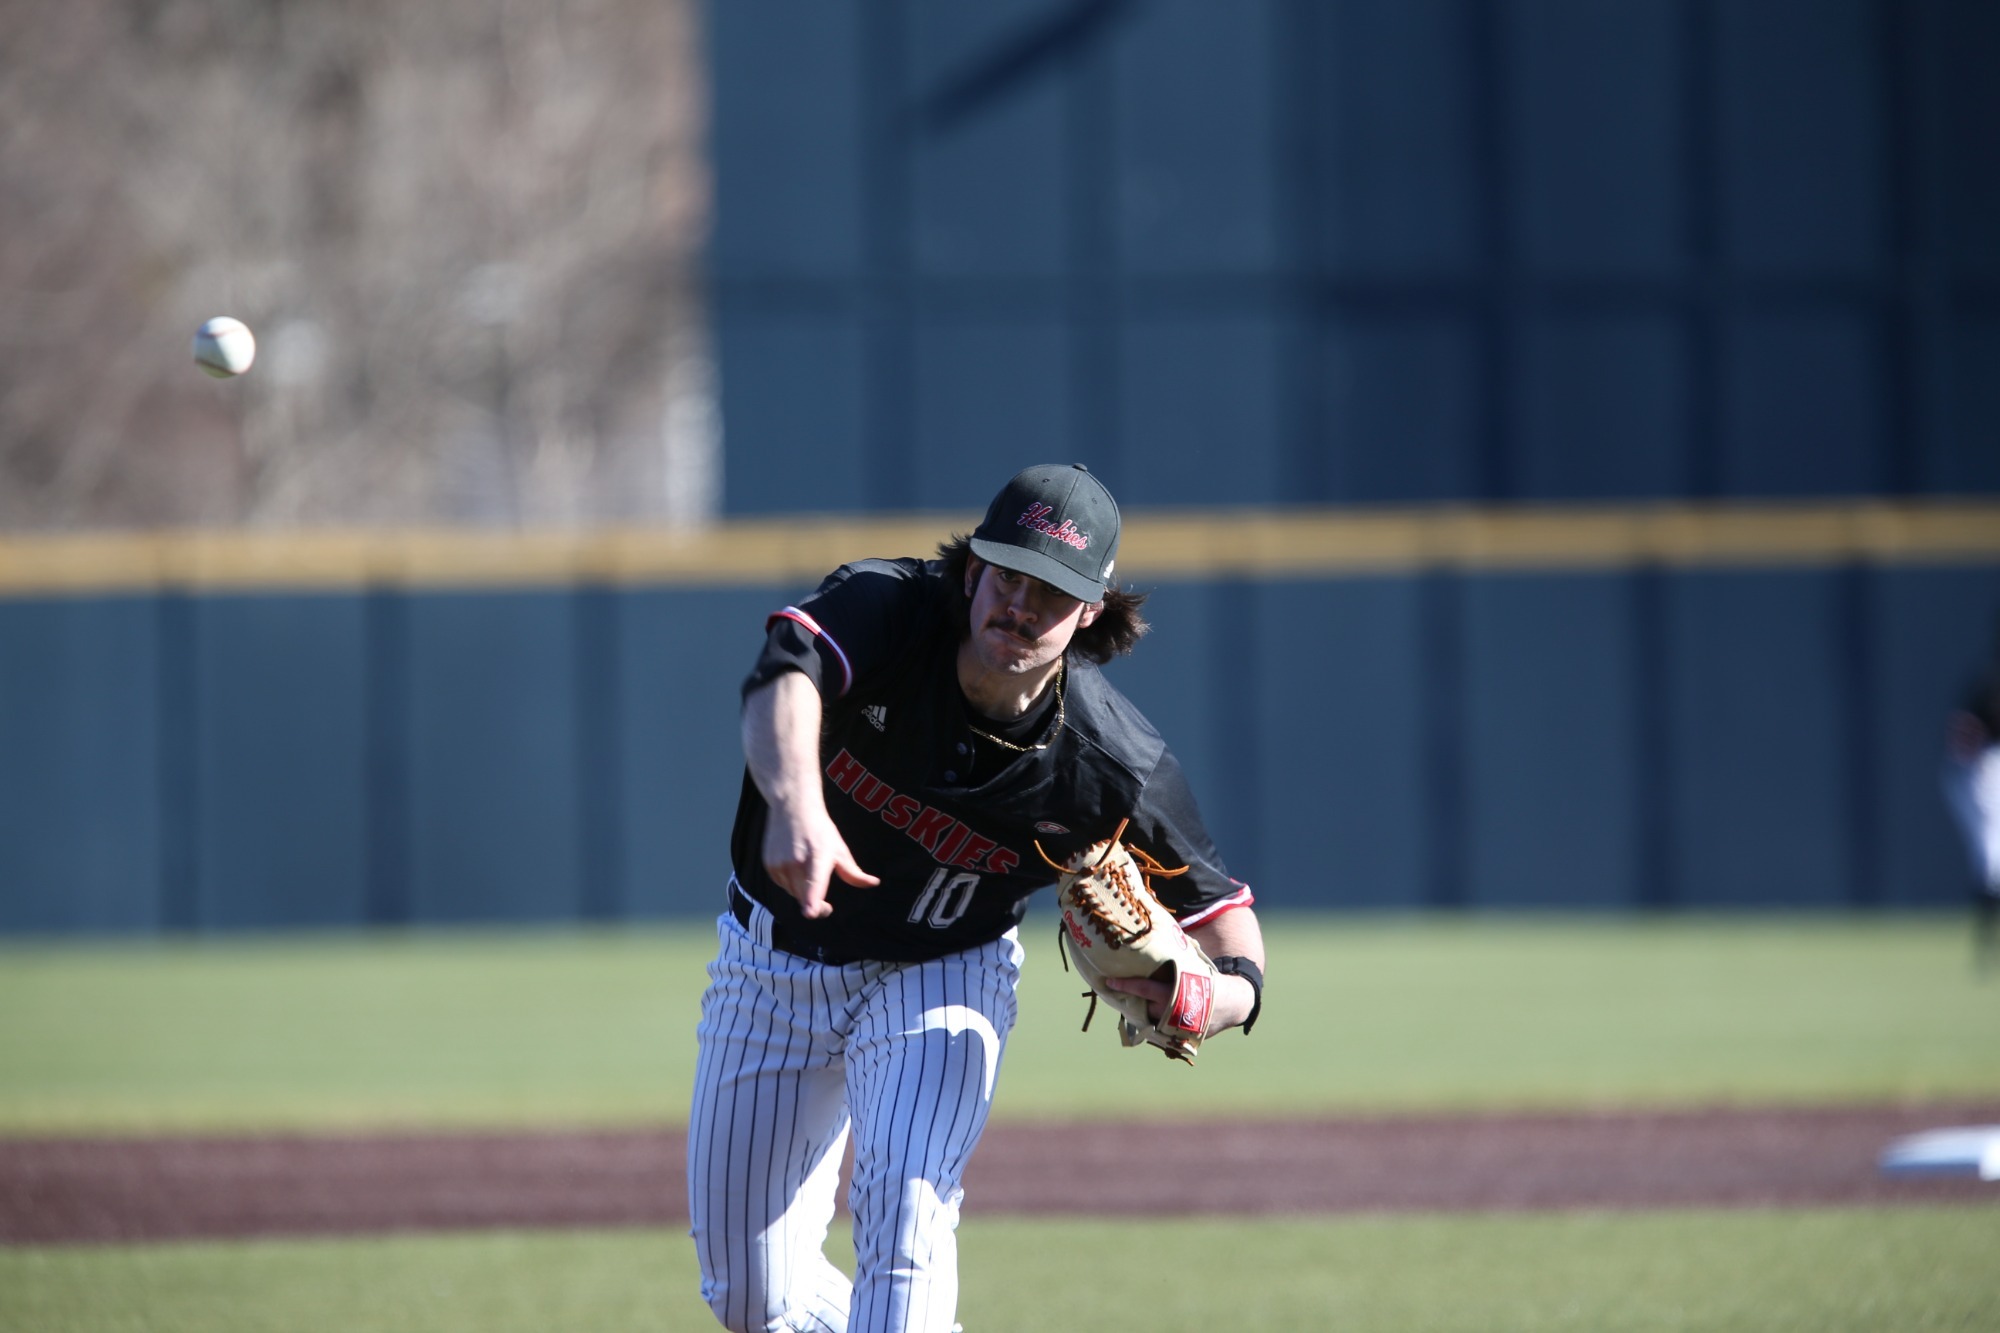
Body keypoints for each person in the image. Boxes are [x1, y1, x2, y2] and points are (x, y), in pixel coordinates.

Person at [687, 463, 1265, 1333]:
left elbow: (1225, 918)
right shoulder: (887, 608)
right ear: (972, 572)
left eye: (1052, 593)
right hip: (777, 959)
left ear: (1093, 613)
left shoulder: (1109, 762)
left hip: (944, 973)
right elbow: (784, 679)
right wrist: (797, 799)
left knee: (907, 1215)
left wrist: (1216, 995)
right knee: (748, 1297)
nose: (1020, 606)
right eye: (1009, 575)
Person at [1943, 617, 2000, 973]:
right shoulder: (1989, 683)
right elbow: (1964, 738)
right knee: (1993, 859)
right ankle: (1985, 950)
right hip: (1990, 771)